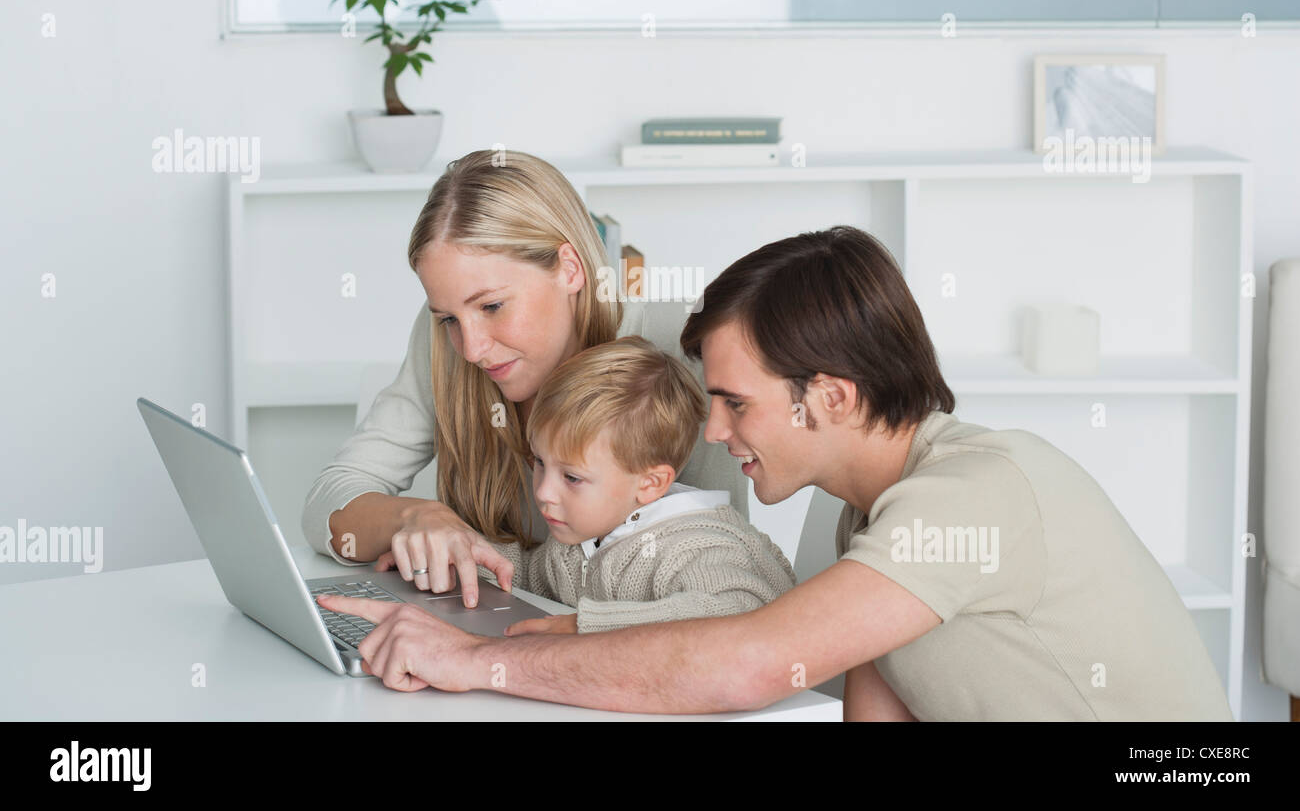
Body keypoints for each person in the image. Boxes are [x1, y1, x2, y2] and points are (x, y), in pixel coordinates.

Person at [317, 225, 1235, 721]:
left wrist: (481, 663)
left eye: (735, 403)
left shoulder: (976, 496)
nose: (716, 429)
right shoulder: (870, 516)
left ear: (829, 398)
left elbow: (750, 662)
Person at [301, 148, 745, 609]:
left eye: (492, 306)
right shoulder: (445, 338)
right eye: (448, 318)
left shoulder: (686, 349)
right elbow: (327, 504)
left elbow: (717, 586)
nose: (471, 349)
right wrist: (415, 518)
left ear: (569, 268)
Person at [485, 335, 795, 636]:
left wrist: (588, 627)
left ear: (650, 484)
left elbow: (736, 617)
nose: (543, 492)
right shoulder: (575, 545)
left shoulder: (698, 545)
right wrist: (467, 557)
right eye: (540, 462)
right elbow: (522, 575)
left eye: (572, 477)